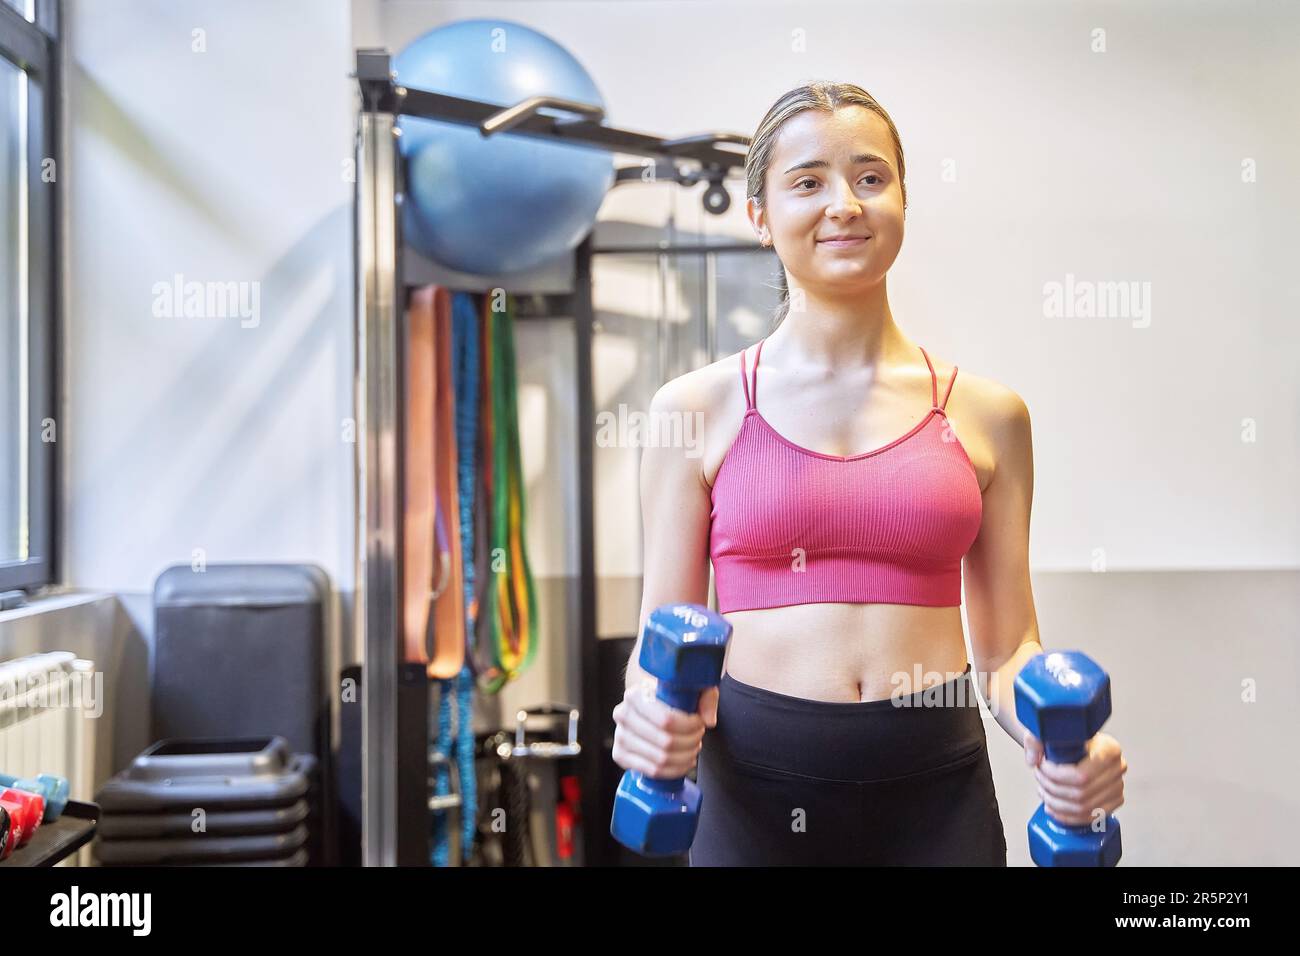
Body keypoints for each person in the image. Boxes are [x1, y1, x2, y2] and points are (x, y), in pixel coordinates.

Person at [610, 82, 1128, 866]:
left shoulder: (989, 415)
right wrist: (646, 713)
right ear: (759, 216)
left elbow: (1007, 652)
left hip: (936, 788)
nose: (845, 204)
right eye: (808, 181)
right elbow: (661, 642)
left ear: (902, 203)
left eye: (871, 177)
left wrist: (1063, 750)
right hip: (753, 790)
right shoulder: (697, 410)